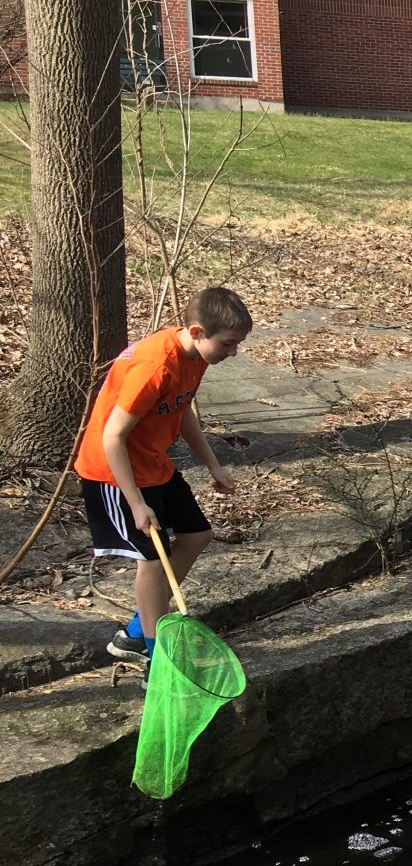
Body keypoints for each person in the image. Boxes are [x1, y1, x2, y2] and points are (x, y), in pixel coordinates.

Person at [81, 286, 252, 670]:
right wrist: (136, 503)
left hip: (153, 463)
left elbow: (182, 409)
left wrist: (213, 465)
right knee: (153, 562)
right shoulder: (155, 366)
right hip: (113, 471)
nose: (233, 352)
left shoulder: (197, 357)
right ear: (195, 331)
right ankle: (157, 660)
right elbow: (112, 436)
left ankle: (136, 630)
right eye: (228, 344)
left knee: (198, 535)